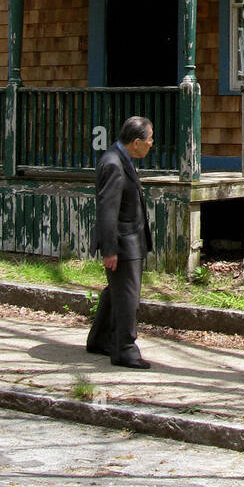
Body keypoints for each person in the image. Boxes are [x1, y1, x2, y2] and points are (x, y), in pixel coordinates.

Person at [86, 115, 155, 369]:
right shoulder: (114, 164)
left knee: (116, 292)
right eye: (149, 139)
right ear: (136, 142)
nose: (152, 144)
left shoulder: (122, 158)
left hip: (131, 239)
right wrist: (110, 249)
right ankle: (124, 348)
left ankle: (100, 338)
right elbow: (107, 209)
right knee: (128, 296)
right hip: (123, 243)